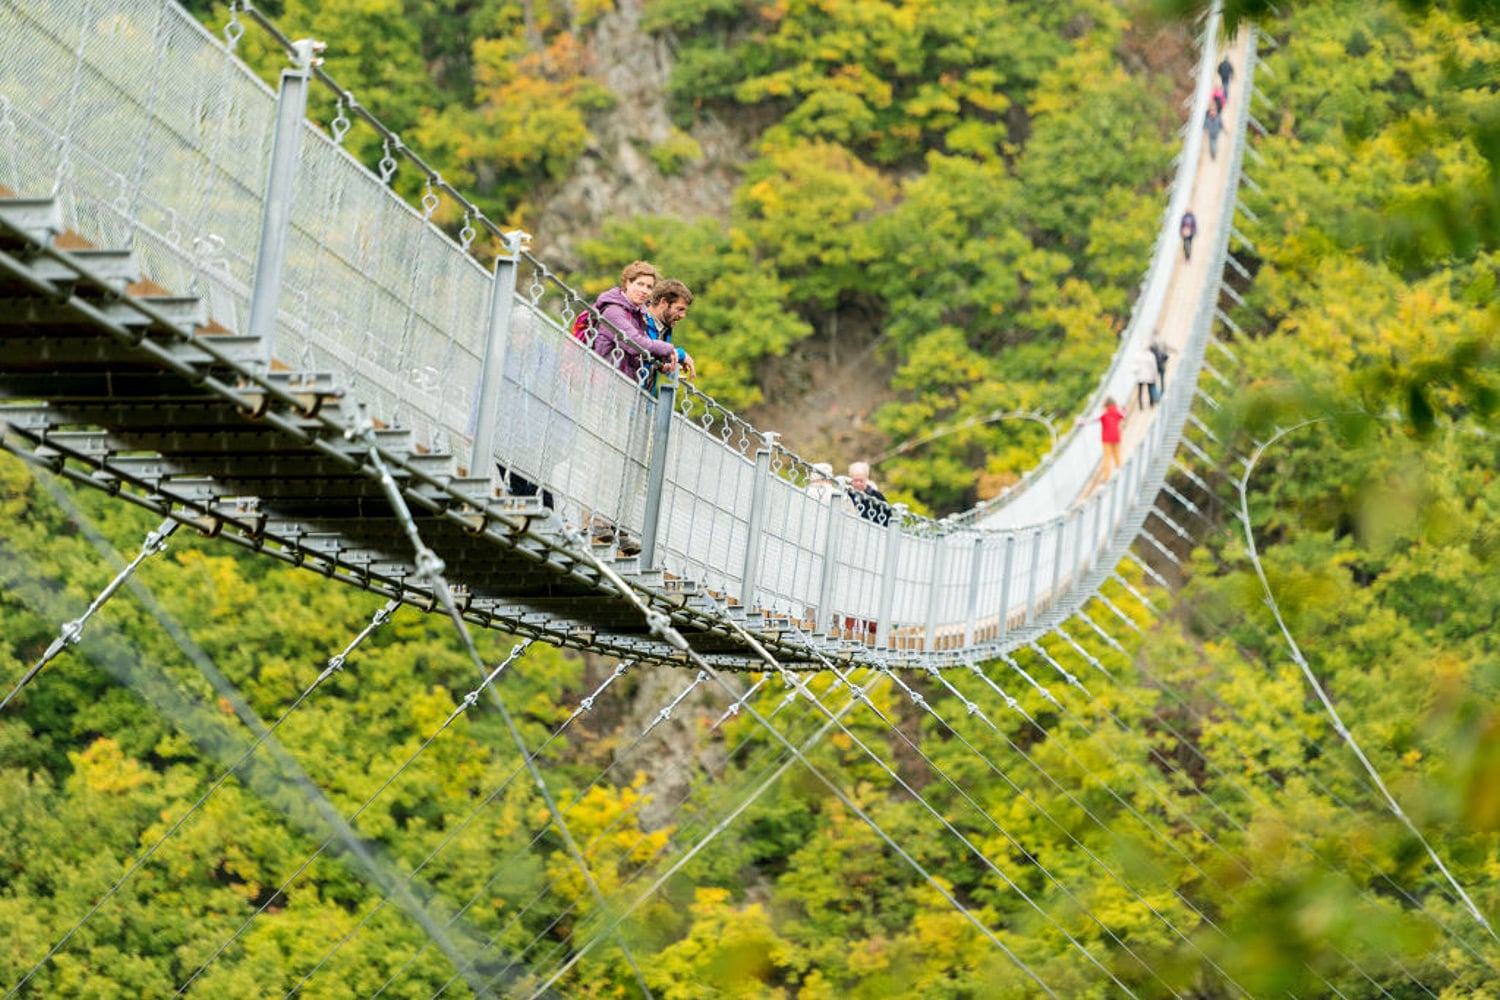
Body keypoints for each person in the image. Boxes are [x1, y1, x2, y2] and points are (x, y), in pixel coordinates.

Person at [590, 260, 678, 382]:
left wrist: (660, 361)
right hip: (602, 382)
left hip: (621, 384)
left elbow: (638, 352)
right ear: (627, 283)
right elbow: (636, 344)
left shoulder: (638, 314)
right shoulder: (613, 312)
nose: (644, 291)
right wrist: (669, 348)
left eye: (649, 287)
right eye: (640, 284)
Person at [642, 278, 696, 395]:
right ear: (663, 303)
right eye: (680, 309)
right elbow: (644, 348)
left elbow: (656, 355)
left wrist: (664, 364)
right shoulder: (640, 319)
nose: (683, 315)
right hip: (624, 392)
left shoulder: (665, 328)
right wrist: (680, 355)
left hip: (644, 398)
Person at [846, 461, 891, 526]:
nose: (858, 483)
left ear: (867, 479)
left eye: (861, 480)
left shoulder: (877, 497)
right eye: (855, 480)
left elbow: (888, 517)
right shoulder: (846, 495)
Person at [1092, 397, 1126, 476]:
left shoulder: (1104, 414)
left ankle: (1107, 476)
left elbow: (1094, 419)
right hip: (1116, 436)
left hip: (1107, 438)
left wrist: (1082, 422)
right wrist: (1122, 408)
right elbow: (1124, 415)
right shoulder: (1117, 412)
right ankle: (1120, 471)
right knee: (1117, 454)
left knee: (1107, 457)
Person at [1136, 344, 1159, 409]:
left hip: (1140, 376)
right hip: (1149, 376)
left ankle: (1141, 406)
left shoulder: (1138, 355)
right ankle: (1151, 404)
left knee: (1140, 392)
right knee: (1149, 390)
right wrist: (1155, 375)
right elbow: (1154, 366)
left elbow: (1135, 367)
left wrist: (1137, 373)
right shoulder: (1151, 356)